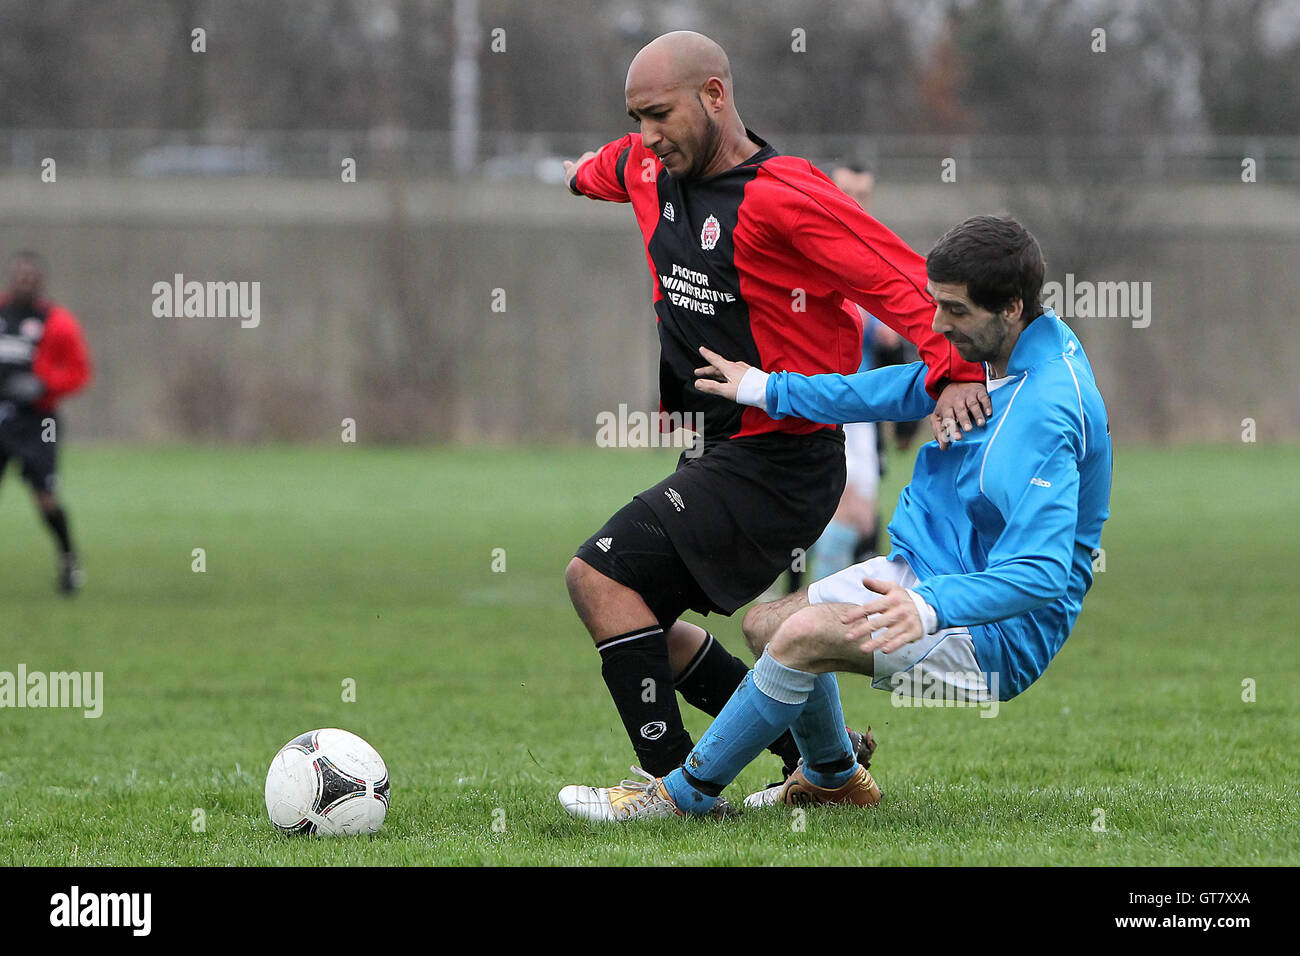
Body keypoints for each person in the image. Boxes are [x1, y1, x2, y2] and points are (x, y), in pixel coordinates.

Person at [558, 30, 989, 810]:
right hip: (722, 449)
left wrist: (955, 369)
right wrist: (578, 176)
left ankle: (671, 788)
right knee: (649, 629)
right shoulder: (645, 164)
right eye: (636, 118)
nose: (647, 136)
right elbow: (609, 166)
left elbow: (899, 279)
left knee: (599, 576)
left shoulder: (783, 196)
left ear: (715, 97)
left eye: (659, 115)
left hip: (783, 458)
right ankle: (822, 764)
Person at [558, 215, 1111, 820]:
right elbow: (886, 390)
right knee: (767, 625)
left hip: (999, 632)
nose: (935, 325)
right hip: (925, 573)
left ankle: (679, 796)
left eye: (954, 311)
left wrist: (930, 606)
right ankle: (833, 780)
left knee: (800, 638)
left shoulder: (1046, 411)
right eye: (935, 304)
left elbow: (1042, 573)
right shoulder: (1004, 349)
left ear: (1010, 307)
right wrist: (766, 390)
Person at [0, 251, 93, 593]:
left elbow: (80, 373)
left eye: (31, 275)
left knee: (45, 497)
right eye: (19, 274)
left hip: (38, 422)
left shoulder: (57, 322)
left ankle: (68, 560)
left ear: (40, 280)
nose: (24, 280)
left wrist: (44, 386)